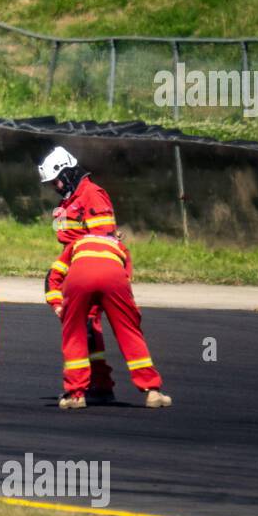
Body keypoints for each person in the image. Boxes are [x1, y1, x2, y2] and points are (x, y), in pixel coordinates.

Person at [38, 147, 171, 410]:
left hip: (87, 264)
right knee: (91, 332)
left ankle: (80, 391)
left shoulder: (91, 194)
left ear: (69, 173)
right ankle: (103, 385)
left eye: (56, 181)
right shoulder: (68, 202)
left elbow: (101, 236)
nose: (55, 187)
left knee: (85, 331)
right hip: (84, 265)